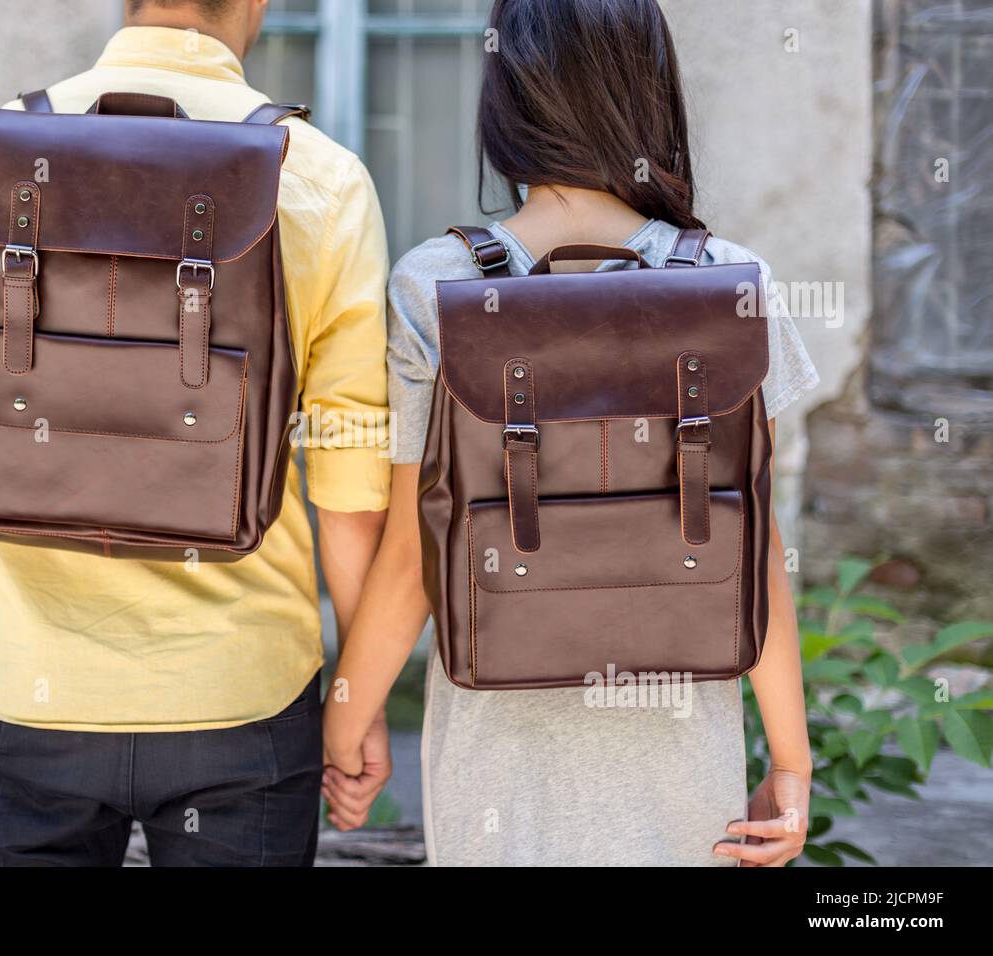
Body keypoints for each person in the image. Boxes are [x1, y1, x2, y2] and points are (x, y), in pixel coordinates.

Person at [0, 0, 392, 866]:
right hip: (242, 699)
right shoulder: (320, 179)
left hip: (31, 695)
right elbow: (349, 474)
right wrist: (358, 697)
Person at [321, 0, 819, 866]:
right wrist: (790, 759)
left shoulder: (433, 287)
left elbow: (412, 555)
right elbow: (757, 549)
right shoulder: (733, 285)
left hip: (493, 771)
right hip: (678, 762)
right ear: (650, 91)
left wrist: (348, 720)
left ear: (505, 99)